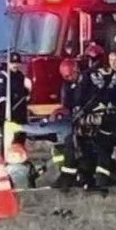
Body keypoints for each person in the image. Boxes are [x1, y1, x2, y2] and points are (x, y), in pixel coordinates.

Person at [74, 57, 116, 193]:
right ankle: (103, 178)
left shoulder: (87, 75)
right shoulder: (113, 75)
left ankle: (90, 178)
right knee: (105, 148)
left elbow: (80, 97)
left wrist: (80, 111)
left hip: (92, 118)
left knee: (89, 148)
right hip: (109, 117)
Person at [52, 57, 81, 190]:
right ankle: (68, 176)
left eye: (70, 75)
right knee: (66, 147)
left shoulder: (84, 82)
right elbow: (66, 104)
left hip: (85, 120)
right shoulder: (66, 86)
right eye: (66, 76)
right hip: (73, 119)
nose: (69, 78)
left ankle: (69, 177)